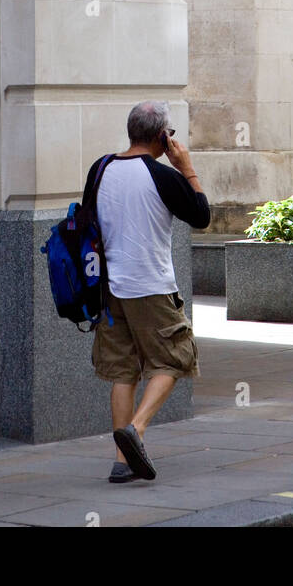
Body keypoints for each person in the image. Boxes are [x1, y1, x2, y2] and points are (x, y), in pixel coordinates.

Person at [88, 100, 210, 482]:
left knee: (124, 372)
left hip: (110, 288)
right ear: (161, 136)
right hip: (151, 286)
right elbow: (202, 216)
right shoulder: (162, 176)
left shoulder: (101, 168)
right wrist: (187, 169)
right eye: (169, 135)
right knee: (176, 357)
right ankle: (136, 430)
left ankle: (122, 462)